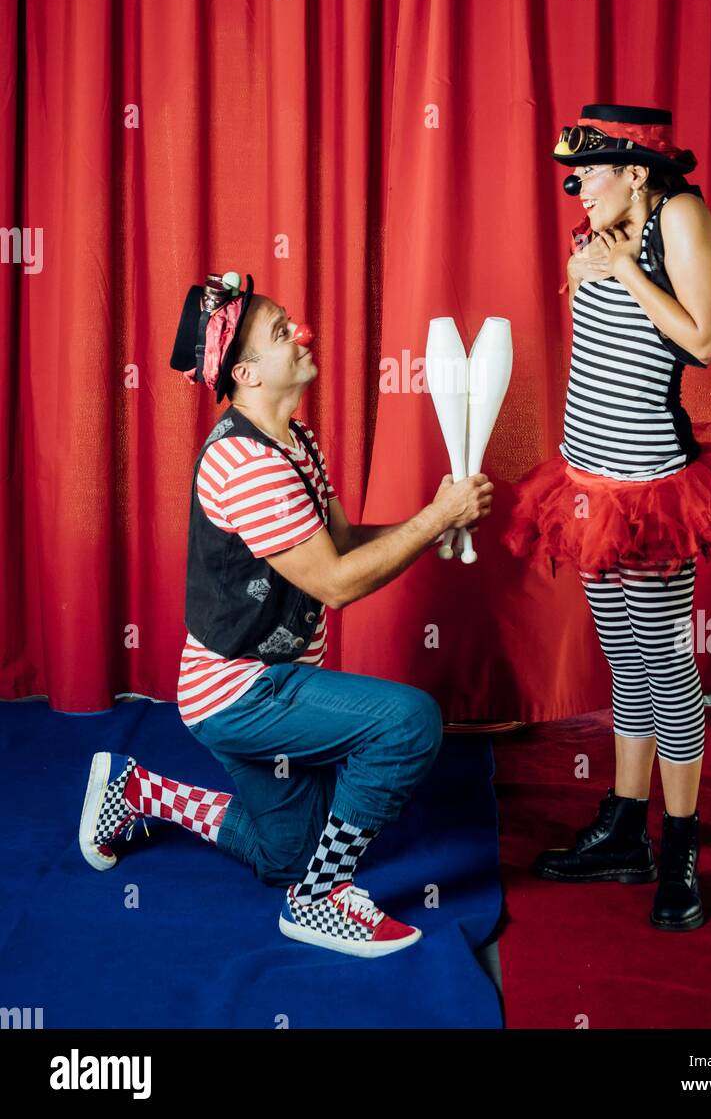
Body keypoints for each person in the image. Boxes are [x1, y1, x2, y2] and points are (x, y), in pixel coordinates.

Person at [79, 271, 493, 958]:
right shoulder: (248, 465)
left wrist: (433, 526)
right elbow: (332, 583)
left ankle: (138, 790)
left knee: (287, 855)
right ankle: (322, 902)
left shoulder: (296, 441)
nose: (301, 332)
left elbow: (337, 543)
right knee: (411, 722)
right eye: (280, 332)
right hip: (242, 693)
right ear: (246, 372)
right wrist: (432, 519)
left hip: (261, 684)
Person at [501, 104, 711, 931]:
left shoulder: (679, 218)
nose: (577, 187)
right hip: (586, 481)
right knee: (625, 659)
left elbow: (710, 339)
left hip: (650, 487)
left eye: (591, 172)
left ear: (638, 174)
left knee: (664, 665)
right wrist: (599, 268)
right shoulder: (603, 233)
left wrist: (627, 274)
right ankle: (625, 826)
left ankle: (680, 843)